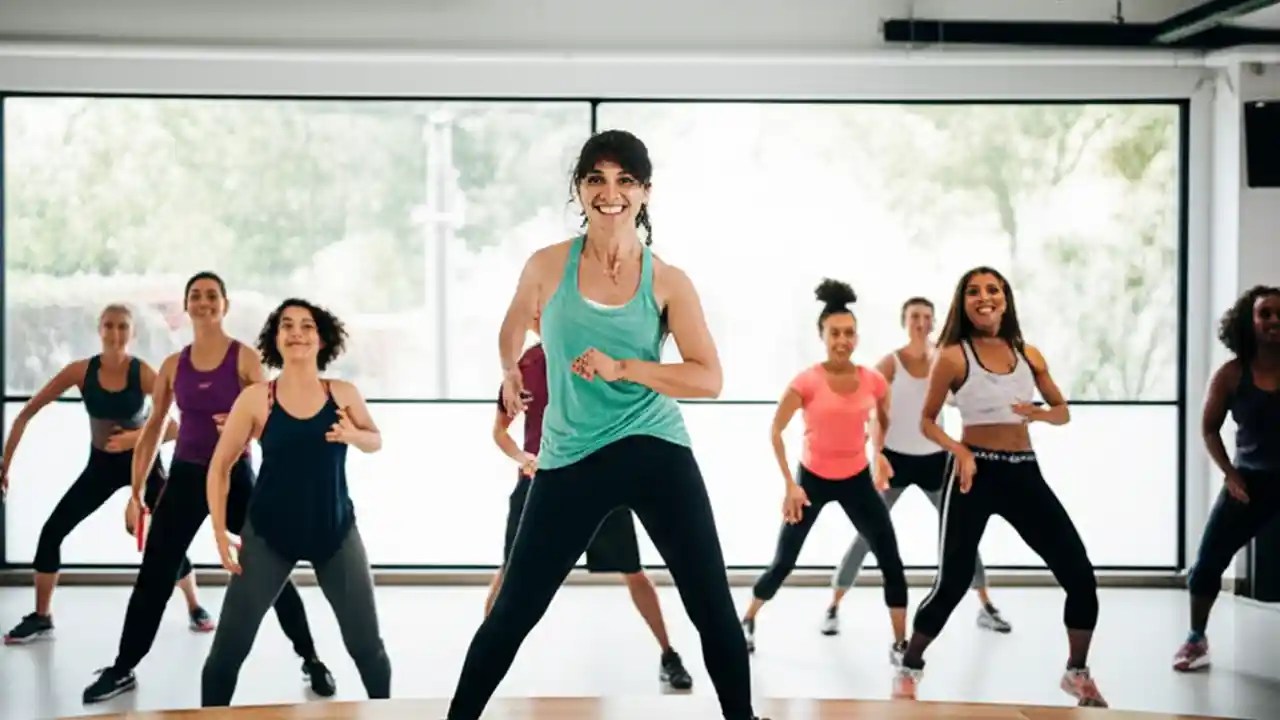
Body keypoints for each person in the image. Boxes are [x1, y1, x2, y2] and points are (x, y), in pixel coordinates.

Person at [446, 130, 764, 720]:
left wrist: (625, 368)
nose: (609, 193)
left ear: (644, 192)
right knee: (515, 608)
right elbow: (513, 323)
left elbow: (708, 378)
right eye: (596, 179)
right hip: (570, 457)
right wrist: (509, 369)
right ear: (580, 190)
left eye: (624, 181)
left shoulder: (667, 280)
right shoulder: (547, 265)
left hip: (654, 446)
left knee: (711, 606)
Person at [82, 273, 335, 704]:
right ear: (187, 306)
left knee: (269, 574)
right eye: (196, 296)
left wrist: (245, 427)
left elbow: (273, 421)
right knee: (154, 575)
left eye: (211, 296)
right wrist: (137, 492)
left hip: (236, 479)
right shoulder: (173, 366)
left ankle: (311, 658)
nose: (204, 303)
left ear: (225, 304)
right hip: (185, 478)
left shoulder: (244, 359)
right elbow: (152, 429)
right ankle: (123, 667)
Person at [891, 266, 1106, 707]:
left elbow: (1062, 410)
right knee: (951, 584)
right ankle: (910, 665)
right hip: (975, 474)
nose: (984, 297)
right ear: (963, 302)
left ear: (1005, 299)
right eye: (973, 291)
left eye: (993, 289)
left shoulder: (1029, 353)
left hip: (1024, 471)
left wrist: (1040, 413)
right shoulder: (952, 355)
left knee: (1080, 576)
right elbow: (927, 421)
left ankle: (1077, 673)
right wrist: (961, 452)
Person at [484, 316, 693, 690]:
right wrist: (523, 458)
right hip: (540, 483)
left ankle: (669, 653)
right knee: (509, 572)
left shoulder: (594, 356)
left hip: (598, 482)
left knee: (634, 571)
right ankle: (484, 656)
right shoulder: (525, 367)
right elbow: (499, 431)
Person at [201, 298, 391, 706]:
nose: (297, 333)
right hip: (269, 536)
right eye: (287, 325)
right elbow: (219, 467)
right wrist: (219, 531)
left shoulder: (342, 393)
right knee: (226, 654)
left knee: (367, 648)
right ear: (276, 338)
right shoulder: (256, 398)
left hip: (335, 533)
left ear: (322, 339)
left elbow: (375, 440)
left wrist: (353, 436)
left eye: (307, 326)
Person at [1, 304, 214, 645]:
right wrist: (5, 466)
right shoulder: (80, 372)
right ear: (99, 329)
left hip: (142, 465)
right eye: (109, 326)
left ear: (133, 333)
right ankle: (42, 617)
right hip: (101, 466)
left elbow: (180, 425)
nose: (115, 333)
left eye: (123, 327)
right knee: (52, 531)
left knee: (165, 540)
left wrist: (135, 437)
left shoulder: (142, 373)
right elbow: (26, 414)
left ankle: (194, 606)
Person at [741, 279, 909, 665]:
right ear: (822, 335)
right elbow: (776, 430)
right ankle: (747, 619)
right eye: (835, 333)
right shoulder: (806, 382)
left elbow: (882, 418)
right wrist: (789, 485)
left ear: (857, 337)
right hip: (811, 481)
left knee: (891, 559)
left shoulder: (873, 380)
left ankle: (901, 645)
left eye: (849, 333)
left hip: (856, 480)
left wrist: (879, 453)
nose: (843, 340)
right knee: (783, 562)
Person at [823, 297, 1011, 637]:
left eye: (926, 316)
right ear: (904, 321)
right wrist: (873, 452)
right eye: (914, 316)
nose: (920, 322)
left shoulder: (945, 360)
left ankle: (986, 605)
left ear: (934, 321)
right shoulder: (891, 363)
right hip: (892, 462)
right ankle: (833, 606)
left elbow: (963, 397)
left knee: (961, 535)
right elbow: (866, 405)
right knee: (868, 534)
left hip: (935, 462)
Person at [1174, 285, 1280, 673]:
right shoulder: (1233, 374)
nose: (1273, 321)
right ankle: (1195, 639)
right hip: (1250, 483)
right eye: (1265, 313)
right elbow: (1208, 429)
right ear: (1249, 322)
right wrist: (1231, 475)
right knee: (1206, 565)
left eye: (1279, 315)